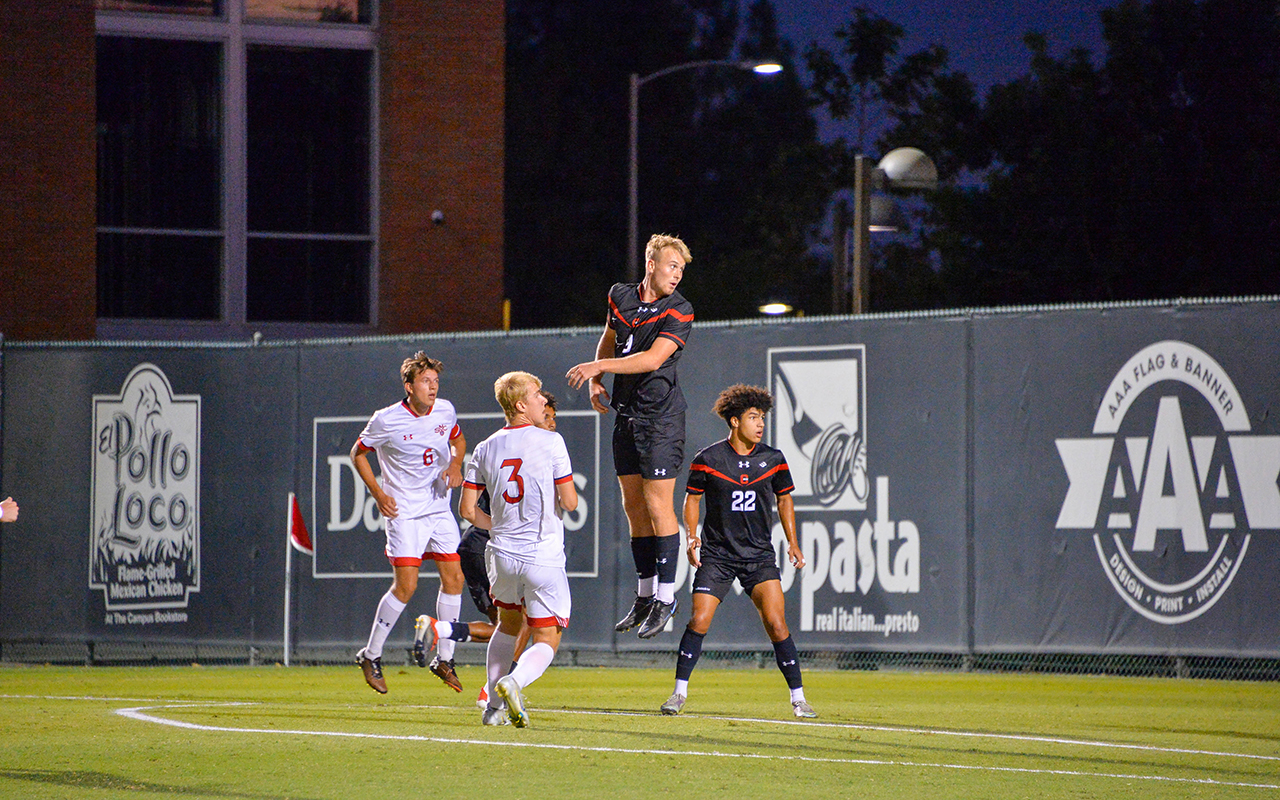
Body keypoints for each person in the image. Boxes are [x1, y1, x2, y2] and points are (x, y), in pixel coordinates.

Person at [661, 384, 817, 719]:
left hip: (759, 556)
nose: (760, 424)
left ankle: (799, 699)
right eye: (752, 417)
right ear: (734, 421)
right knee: (699, 619)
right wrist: (692, 537)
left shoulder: (773, 459)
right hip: (717, 556)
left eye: (762, 417)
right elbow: (692, 499)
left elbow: (785, 499)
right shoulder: (708, 459)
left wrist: (792, 541)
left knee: (776, 623)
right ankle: (678, 694)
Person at [566, 233, 693, 639]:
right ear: (651, 263)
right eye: (672, 266)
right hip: (628, 416)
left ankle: (667, 596)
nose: (677, 275)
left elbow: (652, 359)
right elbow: (610, 334)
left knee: (659, 507)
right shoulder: (620, 295)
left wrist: (596, 365)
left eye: (682, 269)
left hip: (661, 420)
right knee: (634, 508)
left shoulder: (680, 309)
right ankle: (644, 595)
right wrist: (596, 379)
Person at [415, 390, 559, 709]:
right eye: (546, 416)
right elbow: (568, 501)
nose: (551, 423)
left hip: (479, 544)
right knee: (518, 626)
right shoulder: (538, 448)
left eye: (552, 418)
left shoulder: (503, 445)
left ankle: (441, 629)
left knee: (505, 627)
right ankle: (493, 694)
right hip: (495, 544)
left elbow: (470, 505)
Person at [460, 372, 577, 727]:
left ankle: (493, 710)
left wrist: (500, 526)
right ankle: (514, 680)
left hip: (501, 555)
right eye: (537, 394)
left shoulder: (484, 447)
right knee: (546, 638)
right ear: (521, 404)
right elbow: (570, 502)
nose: (544, 400)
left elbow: (467, 511)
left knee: (507, 626)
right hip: (541, 554)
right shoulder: (551, 441)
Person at [350, 351, 468, 695]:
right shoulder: (386, 420)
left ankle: (444, 658)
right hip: (404, 511)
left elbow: (457, 440)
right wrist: (377, 492)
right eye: (425, 382)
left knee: (455, 577)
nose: (432, 387)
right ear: (408, 386)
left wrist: (456, 464)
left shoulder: (445, 410)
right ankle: (370, 655)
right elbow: (358, 453)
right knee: (407, 587)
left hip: (438, 508)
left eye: (435, 382)